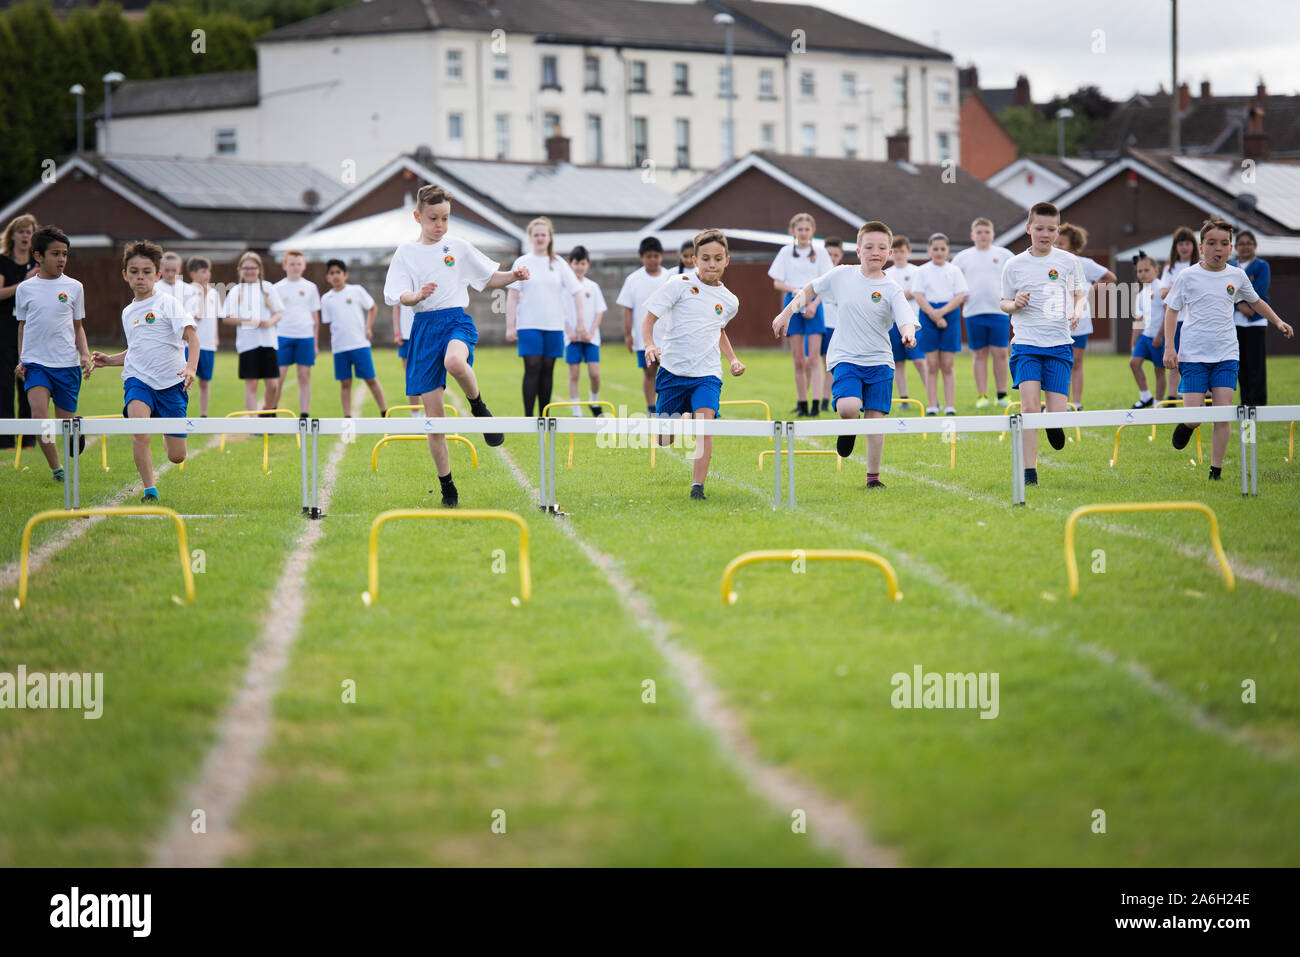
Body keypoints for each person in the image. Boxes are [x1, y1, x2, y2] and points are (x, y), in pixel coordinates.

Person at [383, 184, 528, 507]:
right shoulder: (406, 253)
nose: (440, 225)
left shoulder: (457, 247)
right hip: (423, 329)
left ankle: (479, 408)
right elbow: (397, 295)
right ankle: (447, 486)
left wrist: (514, 276)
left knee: (455, 363)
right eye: (433, 218)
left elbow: (489, 278)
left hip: (455, 322)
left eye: (445, 218)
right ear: (417, 216)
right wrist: (416, 295)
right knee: (434, 420)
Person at [775, 220, 916, 489]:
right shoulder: (841, 274)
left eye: (882, 248)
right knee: (847, 407)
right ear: (859, 250)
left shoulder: (892, 289)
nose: (876, 252)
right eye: (869, 246)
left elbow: (905, 318)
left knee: (876, 420)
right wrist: (787, 312)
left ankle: (873, 477)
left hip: (880, 362)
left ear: (888, 253)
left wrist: (908, 333)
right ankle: (849, 425)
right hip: (846, 356)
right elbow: (810, 289)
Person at [1163, 218, 1292, 480]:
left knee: (1222, 415)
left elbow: (1256, 302)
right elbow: (1172, 309)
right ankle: (1188, 424)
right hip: (1194, 355)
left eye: (1223, 243)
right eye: (1211, 243)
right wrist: (1169, 346)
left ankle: (1216, 471)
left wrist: (1277, 321)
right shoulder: (1188, 276)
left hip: (1226, 354)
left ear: (1230, 247)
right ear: (1202, 247)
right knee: (1196, 417)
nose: (1217, 248)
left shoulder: (1237, 275)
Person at [91, 240, 198, 503]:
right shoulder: (128, 312)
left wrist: (191, 368)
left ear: (158, 275)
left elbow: (192, 337)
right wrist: (110, 360)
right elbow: (136, 350)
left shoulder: (168, 304)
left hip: (172, 383)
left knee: (177, 455)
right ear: (125, 275)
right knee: (140, 431)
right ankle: (150, 490)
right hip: (138, 381)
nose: (141, 277)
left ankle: (165, 427)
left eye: (147, 272)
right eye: (135, 271)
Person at [642, 228, 744, 500]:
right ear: (695, 259)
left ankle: (697, 487)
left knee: (705, 424)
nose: (712, 264)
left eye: (717, 258)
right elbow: (649, 317)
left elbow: (718, 329)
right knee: (664, 439)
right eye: (706, 258)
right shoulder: (679, 283)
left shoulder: (730, 301)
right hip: (673, 371)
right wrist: (650, 344)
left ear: (726, 261)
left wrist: (732, 359)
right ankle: (681, 417)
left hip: (706, 373)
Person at [999, 202, 1087, 488]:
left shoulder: (1068, 262)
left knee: (1057, 412)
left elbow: (1079, 295)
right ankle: (1029, 471)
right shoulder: (1014, 265)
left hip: (1059, 345)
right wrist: (1015, 304)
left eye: (1051, 229)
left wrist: (1076, 311)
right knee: (1028, 407)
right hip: (1026, 344)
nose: (1045, 234)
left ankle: (1054, 421)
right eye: (1039, 228)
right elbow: (1003, 302)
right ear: (1028, 229)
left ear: (1057, 230)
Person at [14, 225, 92, 481]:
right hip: (36, 364)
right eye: (56, 254)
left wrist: (84, 355)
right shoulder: (25, 289)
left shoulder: (75, 287)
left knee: (64, 424)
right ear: (38, 256)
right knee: (40, 417)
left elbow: (78, 327)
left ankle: (74, 429)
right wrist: (21, 359)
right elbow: (23, 326)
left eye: (65, 254)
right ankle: (57, 469)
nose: (61, 259)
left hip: (66, 365)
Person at [506, 216, 582, 416]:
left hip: (554, 326)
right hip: (528, 325)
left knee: (548, 369)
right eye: (536, 235)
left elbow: (577, 291)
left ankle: (544, 415)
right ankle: (528, 416)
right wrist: (510, 326)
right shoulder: (522, 262)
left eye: (543, 235)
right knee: (532, 366)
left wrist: (580, 323)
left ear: (550, 237)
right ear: (531, 237)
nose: (540, 238)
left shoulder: (558, 263)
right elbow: (512, 296)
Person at [952, 217, 1014, 408]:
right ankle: (982, 396)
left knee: (1001, 353)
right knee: (979, 354)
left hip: (999, 311)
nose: (983, 236)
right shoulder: (962, 257)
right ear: (972, 235)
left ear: (992, 234)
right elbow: (952, 280)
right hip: (973, 313)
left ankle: (1002, 395)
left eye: (986, 232)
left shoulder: (1004, 255)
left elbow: (1016, 276)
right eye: (979, 232)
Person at [768, 212, 826, 416]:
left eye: (807, 229)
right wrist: (794, 291)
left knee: (814, 359)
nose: (803, 233)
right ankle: (802, 403)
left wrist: (813, 304)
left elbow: (826, 283)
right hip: (793, 303)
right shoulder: (785, 253)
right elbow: (777, 281)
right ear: (793, 231)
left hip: (814, 304)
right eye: (799, 229)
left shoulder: (820, 252)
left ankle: (816, 405)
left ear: (813, 231)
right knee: (799, 359)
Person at [1054, 223, 1116, 410]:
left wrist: (1089, 289)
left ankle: (1076, 403)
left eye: (1061, 244)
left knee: (1076, 363)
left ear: (1073, 245)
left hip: (1079, 321)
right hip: (1056, 320)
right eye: (1055, 243)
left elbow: (1111, 278)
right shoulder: (1051, 264)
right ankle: (1059, 402)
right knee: (1059, 363)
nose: (1057, 247)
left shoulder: (1084, 264)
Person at [321, 259, 387, 417]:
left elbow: (372, 307)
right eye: (332, 273)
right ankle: (347, 416)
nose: (335, 276)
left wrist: (368, 327)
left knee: (370, 379)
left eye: (338, 272)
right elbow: (329, 322)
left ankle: (385, 412)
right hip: (339, 347)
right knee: (345, 383)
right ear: (328, 278)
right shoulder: (326, 299)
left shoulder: (356, 291)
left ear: (345, 275)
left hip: (359, 344)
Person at [911, 232, 968, 415]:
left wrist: (942, 313)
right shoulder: (923, 271)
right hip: (928, 315)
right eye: (935, 249)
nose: (939, 252)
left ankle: (950, 405)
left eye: (942, 249)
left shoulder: (954, 271)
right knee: (932, 364)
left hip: (949, 314)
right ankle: (932, 405)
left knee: (947, 364)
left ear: (947, 250)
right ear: (929, 250)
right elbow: (918, 295)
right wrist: (933, 314)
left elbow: (960, 295)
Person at [222, 251, 284, 414]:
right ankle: (254, 422)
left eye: (253, 267)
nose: (249, 271)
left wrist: (269, 322)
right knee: (252, 384)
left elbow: (278, 312)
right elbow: (226, 318)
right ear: (240, 269)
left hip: (268, 342)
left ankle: (266, 412)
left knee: (273, 385)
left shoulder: (268, 288)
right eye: (246, 267)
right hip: (248, 344)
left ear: (259, 269)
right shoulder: (236, 291)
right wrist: (250, 321)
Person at [617, 237, 671, 414]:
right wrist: (628, 334)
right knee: (649, 373)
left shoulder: (669, 277)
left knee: (668, 373)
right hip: (644, 338)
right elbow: (627, 308)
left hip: (667, 336)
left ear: (661, 256)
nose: (652, 260)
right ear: (642, 257)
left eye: (656, 256)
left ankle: (666, 406)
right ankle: (651, 408)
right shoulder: (633, 279)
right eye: (649, 256)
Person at [1, 213, 39, 450]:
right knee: (4, 384)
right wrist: (23, 284)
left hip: (31, 332)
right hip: (5, 331)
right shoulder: (3, 262)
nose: (26, 236)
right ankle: (5, 440)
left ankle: (29, 440)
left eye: (30, 231)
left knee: (29, 383)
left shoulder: (39, 263)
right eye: (21, 231)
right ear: (12, 235)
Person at [274, 250, 321, 416]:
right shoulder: (277, 288)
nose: (295, 267)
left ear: (304, 266)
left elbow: (315, 317)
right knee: (278, 378)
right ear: (284, 265)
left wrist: (315, 343)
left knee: (304, 376)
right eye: (292, 264)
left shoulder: (310, 287)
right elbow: (272, 315)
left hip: (305, 336)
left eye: (298, 264)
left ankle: (304, 415)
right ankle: (272, 412)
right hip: (283, 336)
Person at [562, 245, 607, 416]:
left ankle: (594, 402)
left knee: (594, 373)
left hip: (591, 339)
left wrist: (590, 332)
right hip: (572, 339)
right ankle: (576, 408)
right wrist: (570, 332)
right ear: (570, 264)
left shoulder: (593, 287)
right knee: (574, 373)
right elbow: (561, 312)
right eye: (576, 263)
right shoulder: (565, 288)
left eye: (582, 263)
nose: (579, 267)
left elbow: (599, 311)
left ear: (587, 264)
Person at [1229, 230, 1271, 405]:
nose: (1245, 246)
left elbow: (1259, 290)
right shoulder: (1230, 265)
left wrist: (1248, 304)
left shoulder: (1261, 266)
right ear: (1236, 246)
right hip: (1236, 322)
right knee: (1241, 364)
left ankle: (1258, 402)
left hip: (1256, 321)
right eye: (1241, 243)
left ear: (1255, 245)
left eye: (1249, 243)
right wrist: (1239, 306)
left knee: (1256, 363)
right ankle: (1245, 401)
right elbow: (1226, 291)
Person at [883, 236, 926, 401]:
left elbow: (916, 292)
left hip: (913, 322)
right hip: (893, 323)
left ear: (908, 252)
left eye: (903, 251)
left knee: (920, 361)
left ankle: (932, 398)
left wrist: (900, 295)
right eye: (896, 252)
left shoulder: (916, 272)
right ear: (891, 253)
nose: (900, 255)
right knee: (898, 363)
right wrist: (902, 294)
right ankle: (904, 398)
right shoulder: (887, 274)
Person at [1158, 226, 1198, 401]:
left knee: (1195, 359)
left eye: (1187, 243)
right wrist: (1177, 287)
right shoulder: (1170, 268)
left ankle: (1202, 393)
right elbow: (1163, 293)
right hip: (1175, 319)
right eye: (1180, 243)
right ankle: (1172, 396)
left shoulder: (1199, 266)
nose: (1184, 247)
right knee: (1174, 360)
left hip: (1194, 320)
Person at [1127, 254, 1166, 408]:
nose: (1142, 274)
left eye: (1146, 270)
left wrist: (1160, 335)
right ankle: (1146, 396)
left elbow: (1168, 313)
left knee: (1159, 370)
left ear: (1156, 270)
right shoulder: (1141, 294)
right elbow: (1139, 319)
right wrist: (1133, 344)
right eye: (1139, 271)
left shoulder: (1161, 288)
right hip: (1146, 336)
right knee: (1134, 363)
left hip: (1159, 336)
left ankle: (1158, 402)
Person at [185, 256, 221, 417]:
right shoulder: (187, 291)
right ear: (193, 274)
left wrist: (216, 337)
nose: (207, 275)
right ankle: (179, 413)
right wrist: (203, 295)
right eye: (203, 271)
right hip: (189, 345)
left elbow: (214, 317)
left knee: (205, 382)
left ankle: (204, 415)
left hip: (207, 344)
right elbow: (196, 316)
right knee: (183, 381)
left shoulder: (214, 292)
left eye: (208, 271)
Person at [817, 236, 844, 413]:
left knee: (829, 364)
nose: (832, 258)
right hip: (817, 322)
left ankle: (825, 400)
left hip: (835, 325)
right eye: (829, 254)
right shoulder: (819, 274)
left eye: (835, 255)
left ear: (840, 255)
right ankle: (808, 399)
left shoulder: (843, 276)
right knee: (808, 362)